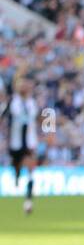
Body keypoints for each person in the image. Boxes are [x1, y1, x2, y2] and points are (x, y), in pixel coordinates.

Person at [2, 75, 40, 215]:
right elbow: (3, 117)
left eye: (26, 84)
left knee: (31, 169)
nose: (24, 87)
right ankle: (17, 175)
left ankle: (28, 201)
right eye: (21, 84)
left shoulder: (32, 103)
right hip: (15, 144)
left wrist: (49, 131)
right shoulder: (12, 103)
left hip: (30, 143)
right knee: (17, 166)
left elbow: (40, 118)